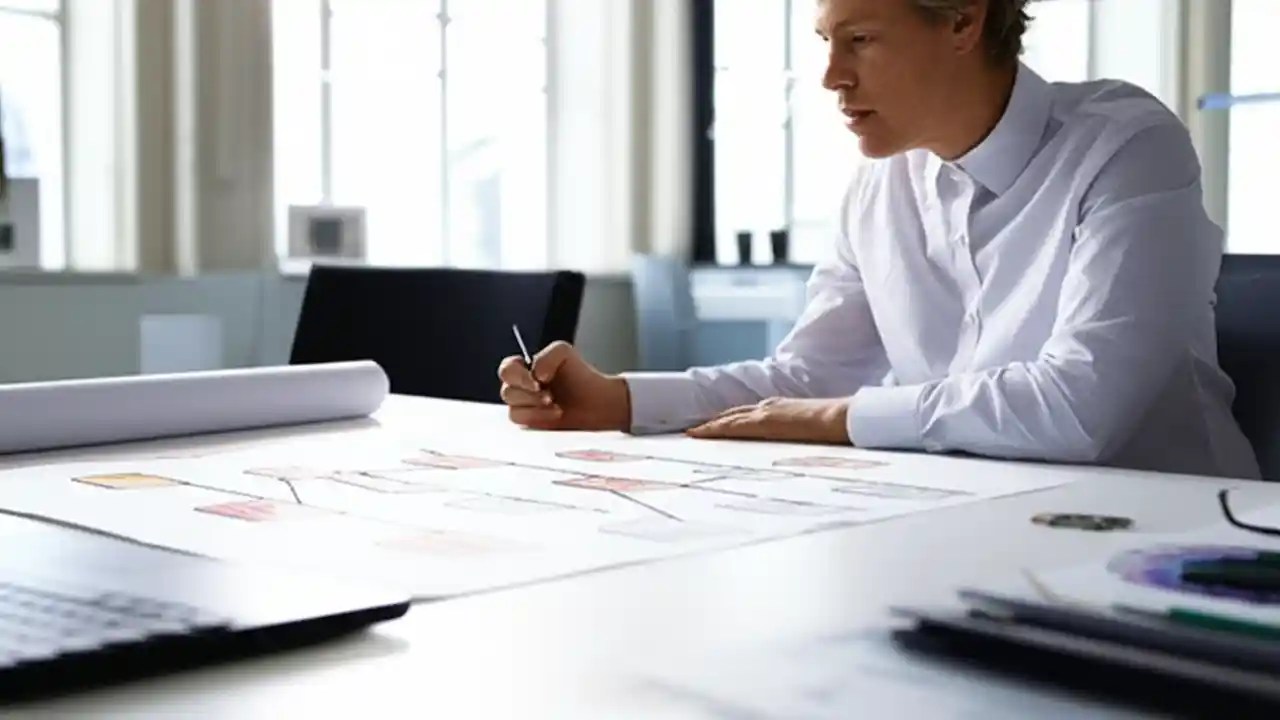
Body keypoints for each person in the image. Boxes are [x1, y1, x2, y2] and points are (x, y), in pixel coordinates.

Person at [497, 0, 1260, 480]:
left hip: (1171, 529)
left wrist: (844, 417)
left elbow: (1081, 405)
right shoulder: (880, 186)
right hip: (977, 514)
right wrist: (619, 400)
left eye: (860, 38)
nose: (830, 75)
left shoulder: (1126, 145)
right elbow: (803, 377)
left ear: (963, 18)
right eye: (827, 39)